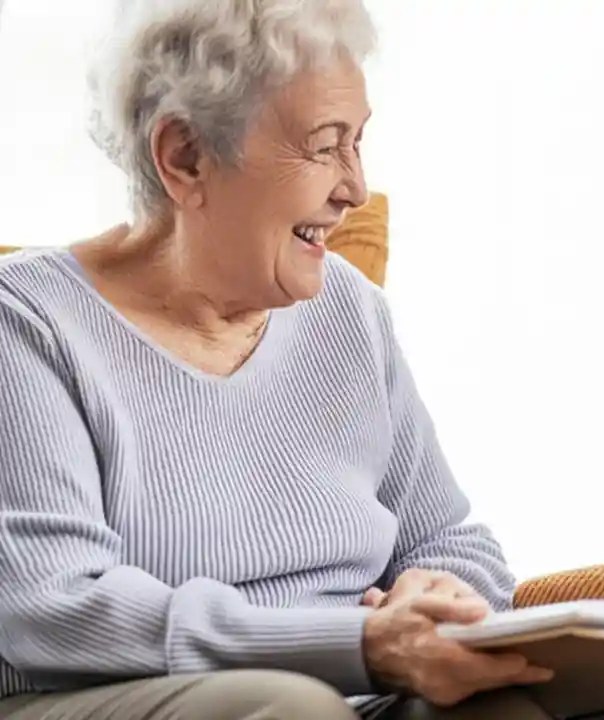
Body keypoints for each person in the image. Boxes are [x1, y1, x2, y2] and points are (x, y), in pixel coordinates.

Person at [0, 1, 554, 718]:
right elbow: (56, 607)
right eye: (326, 146)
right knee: (292, 709)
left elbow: (450, 538)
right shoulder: (28, 326)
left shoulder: (347, 311)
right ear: (186, 156)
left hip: (351, 688)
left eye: (358, 142)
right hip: (101, 697)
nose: (355, 188)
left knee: (500, 710)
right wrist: (357, 642)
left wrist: (432, 591)